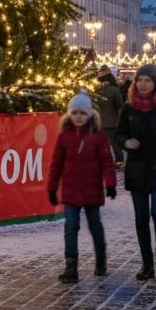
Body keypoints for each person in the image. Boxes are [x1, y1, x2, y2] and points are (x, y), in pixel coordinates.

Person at [115, 63, 156, 280]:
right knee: (141, 217)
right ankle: (147, 263)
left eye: (147, 80)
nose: (143, 84)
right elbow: (119, 134)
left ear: (155, 83)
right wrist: (126, 142)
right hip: (136, 168)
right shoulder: (128, 108)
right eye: (140, 80)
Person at [47, 92, 117, 282]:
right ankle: (71, 266)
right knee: (71, 226)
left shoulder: (98, 137)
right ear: (70, 114)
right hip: (70, 191)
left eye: (82, 113)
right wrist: (52, 188)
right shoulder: (64, 137)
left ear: (89, 115)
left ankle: (101, 261)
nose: (78, 117)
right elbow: (56, 165)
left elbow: (107, 163)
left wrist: (110, 184)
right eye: (75, 112)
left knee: (95, 226)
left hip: (92, 190)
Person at [95, 67, 124, 167]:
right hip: (113, 121)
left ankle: (106, 162)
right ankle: (119, 162)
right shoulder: (115, 90)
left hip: (101, 121)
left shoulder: (98, 91)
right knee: (115, 144)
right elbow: (120, 105)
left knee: (103, 144)